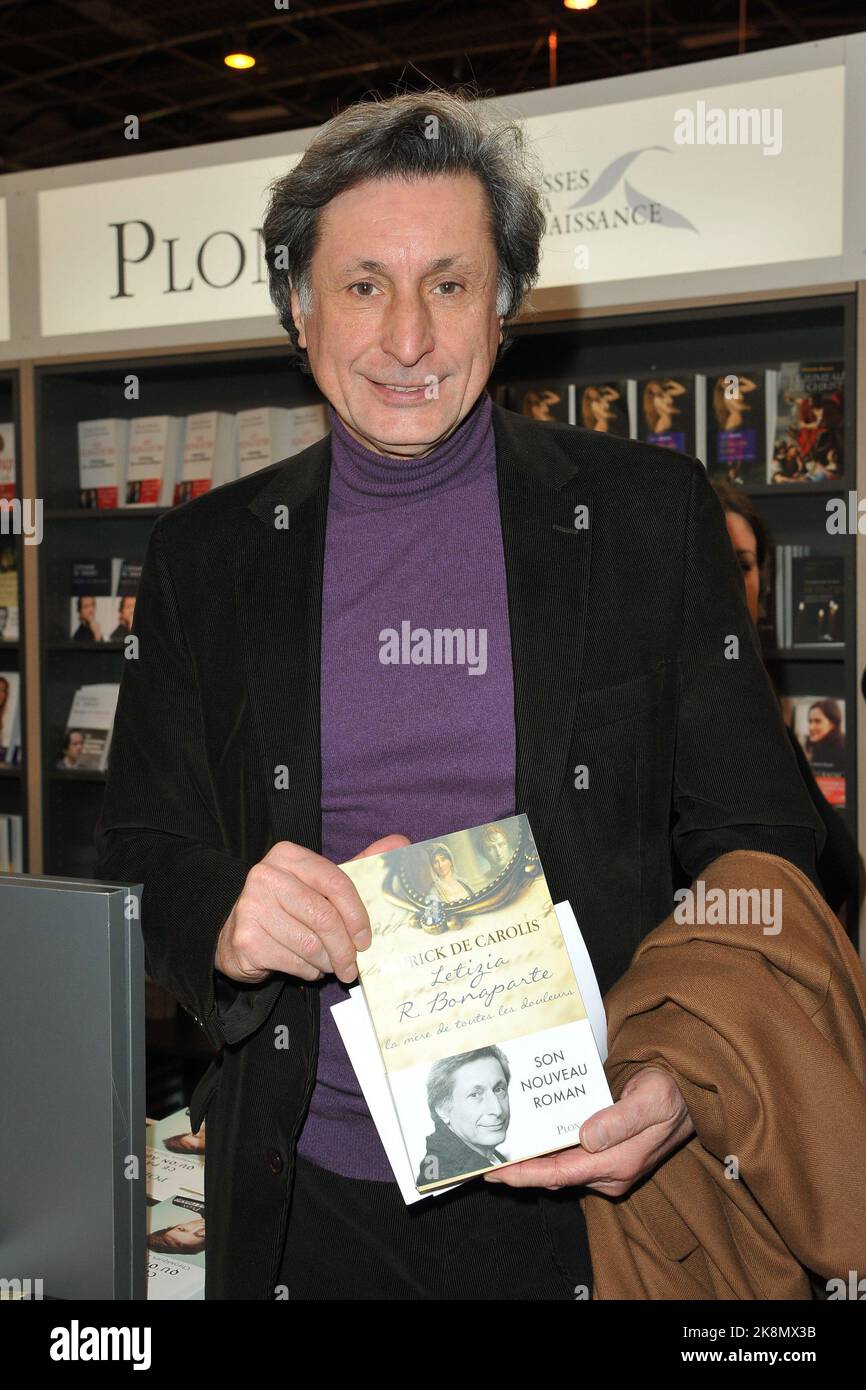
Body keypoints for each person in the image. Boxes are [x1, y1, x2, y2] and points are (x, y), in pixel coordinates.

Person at [96, 87, 831, 1301]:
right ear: (297, 306)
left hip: (584, 1187)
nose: (405, 340)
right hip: (301, 1190)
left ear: (501, 307)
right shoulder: (208, 555)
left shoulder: (645, 519)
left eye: (447, 284)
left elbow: (759, 831)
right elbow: (144, 844)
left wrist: (678, 1072)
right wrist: (225, 922)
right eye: (361, 285)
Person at [711, 480, 859, 915]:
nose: (732, 582)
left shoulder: (754, 695)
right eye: (714, 560)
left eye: (742, 564)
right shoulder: (681, 710)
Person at [417, 1047, 511, 1186]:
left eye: (499, 1089)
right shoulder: (445, 1177)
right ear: (442, 1110)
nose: (497, 1110)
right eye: (475, 1095)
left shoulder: (490, 1158)